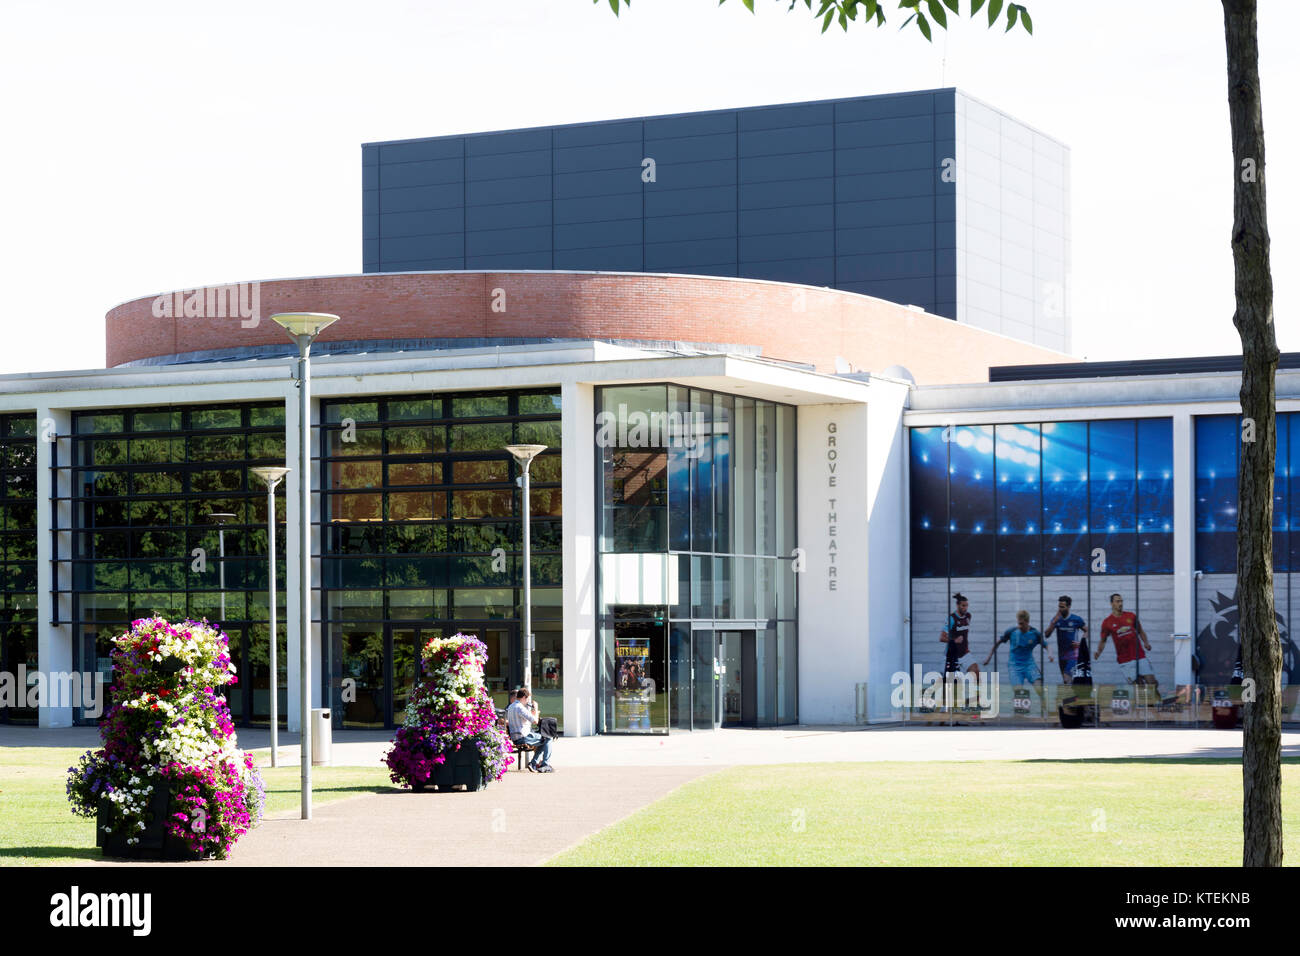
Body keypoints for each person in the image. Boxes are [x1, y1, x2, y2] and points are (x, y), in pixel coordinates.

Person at [1095, 592, 1172, 704]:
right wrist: (1098, 652)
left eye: (1121, 601)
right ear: (1111, 604)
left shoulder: (1131, 616)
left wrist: (1146, 643)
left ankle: (1160, 702)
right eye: (1117, 601)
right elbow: (1103, 640)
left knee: (1152, 682)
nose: (1120, 603)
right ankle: (1150, 707)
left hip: (1139, 655)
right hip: (1125, 660)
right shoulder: (1107, 623)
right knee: (1139, 686)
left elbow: (1140, 631)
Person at [984, 609, 1052, 707]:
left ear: (1027, 622)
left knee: (1038, 685)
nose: (1019, 626)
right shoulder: (1012, 631)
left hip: (1029, 664)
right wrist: (989, 657)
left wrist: (1050, 654)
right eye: (1018, 623)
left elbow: (1046, 645)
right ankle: (1021, 712)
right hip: (1014, 666)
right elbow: (998, 642)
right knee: (1018, 691)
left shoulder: (1034, 633)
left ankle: (1045, 706)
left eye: (1022, 624)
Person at [940, 592, 981, 714]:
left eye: (966, 605)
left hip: (965, 653)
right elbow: (942, 638)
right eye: (963, 605)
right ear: (957, 605)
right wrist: (954, 640)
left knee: (977, 673)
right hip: (952, 655)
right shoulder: (951, 618)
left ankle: (975, 702)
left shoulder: (968, 616)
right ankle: (944, 705)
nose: (965, 608)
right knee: (950, 681)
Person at [506, 687, 554, 773]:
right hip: (523, 737)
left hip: (515, 737)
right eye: (528, 699)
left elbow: (525, 718)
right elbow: (535, 721)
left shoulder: (511, 707)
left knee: (542, 741)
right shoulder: (520, 707)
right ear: (524, 697)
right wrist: (535, 708)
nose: (528, 701)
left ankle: (534, 763)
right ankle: (544, 764)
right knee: (548, 738)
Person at [1044, 595, 1089, 683]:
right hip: (1062, 655)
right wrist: (1054, 621)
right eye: (1059, 606)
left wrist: (1081, 643)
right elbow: (1047, 634)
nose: (1060, 609)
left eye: (1062, 607)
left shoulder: (1076, 619)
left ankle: (1074, 695)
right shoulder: (1057, 619)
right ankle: (1075, 695)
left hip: (1073, 654)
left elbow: (1087, 631)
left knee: (1067, 677)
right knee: (1066, 681)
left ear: (1069, 607)